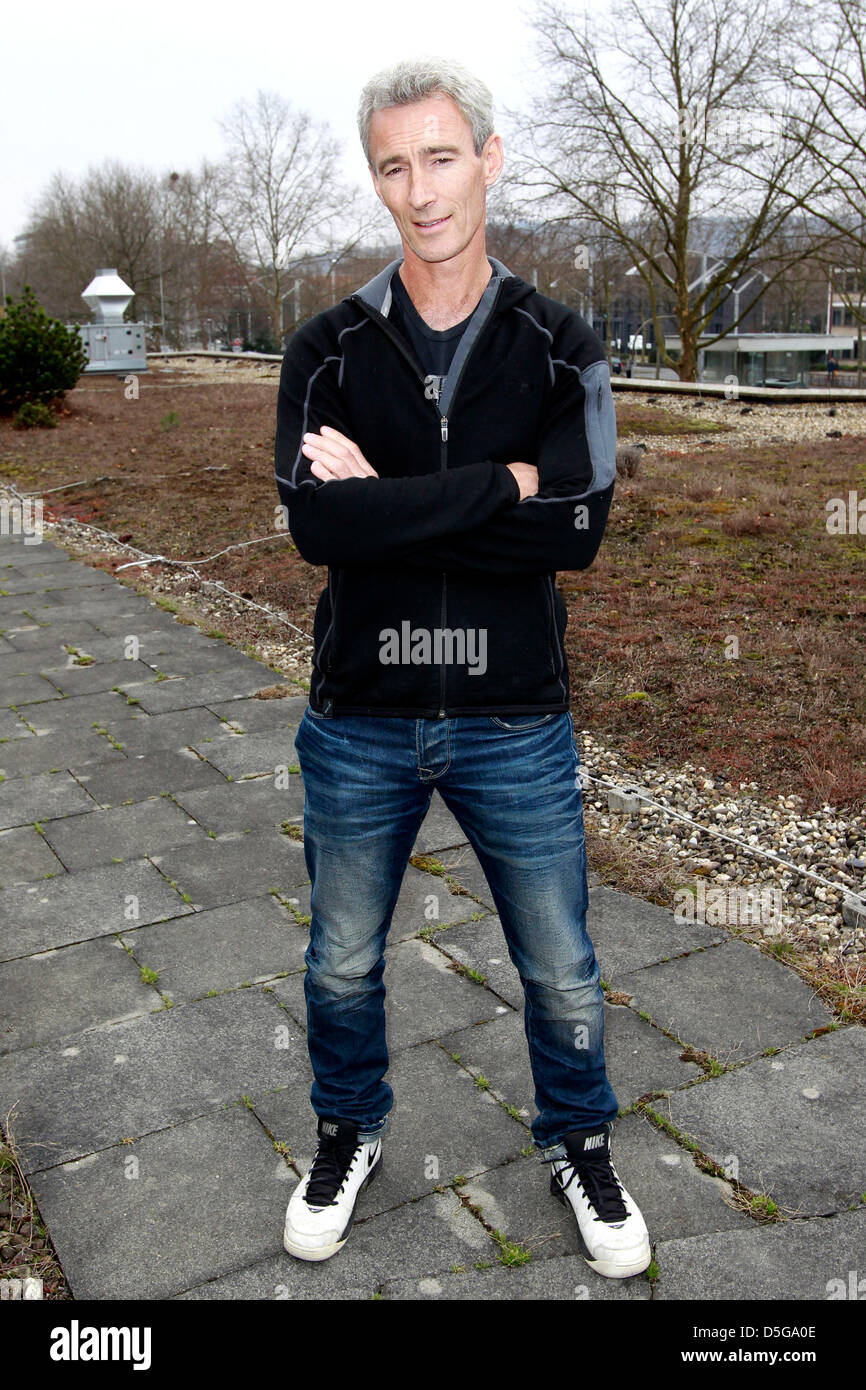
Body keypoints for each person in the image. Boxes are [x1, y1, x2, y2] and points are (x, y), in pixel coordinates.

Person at [273, 55, 651, 1281]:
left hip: (513, 718)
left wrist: (388, 502)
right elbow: (317, 529)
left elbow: (576, 532)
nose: (421, 189)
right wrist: (502, 486)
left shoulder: (559, 345)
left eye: (441, 157)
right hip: (360, 715)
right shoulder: (326, 349)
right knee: (340, 960)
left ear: (487, 158)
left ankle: (579, 1144)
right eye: (394, 166)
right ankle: (348, 1130)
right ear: (375, 179)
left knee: (560, 967)